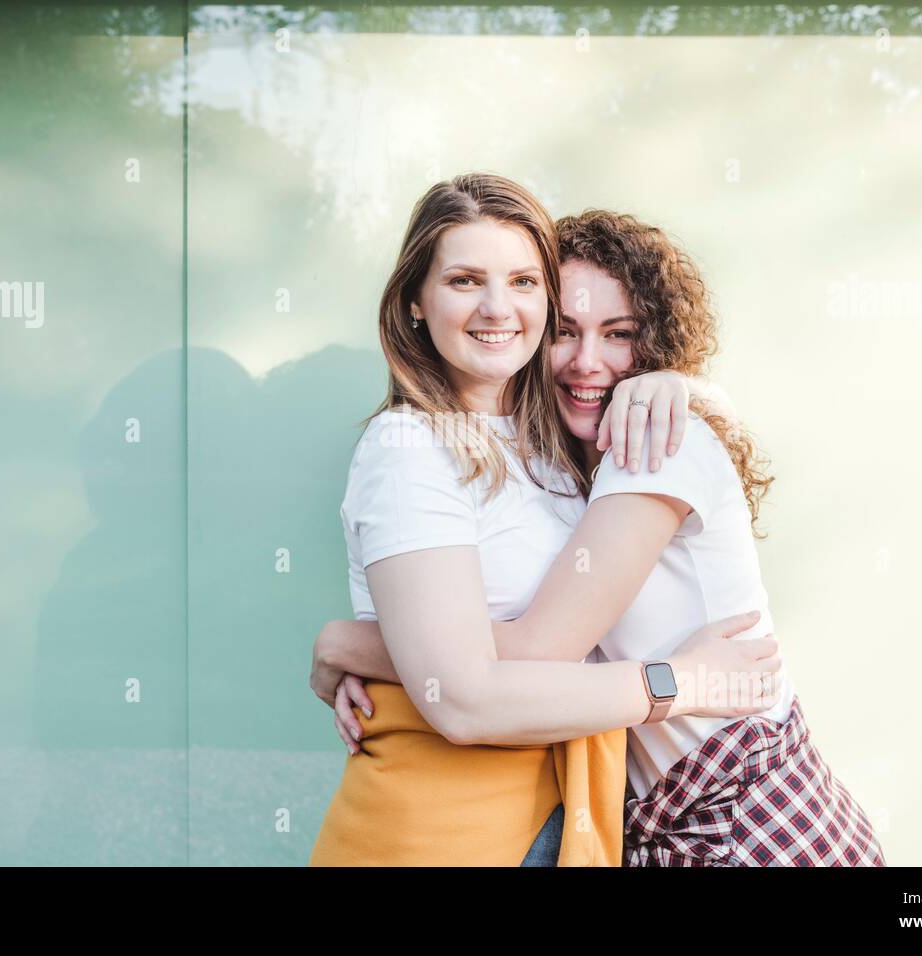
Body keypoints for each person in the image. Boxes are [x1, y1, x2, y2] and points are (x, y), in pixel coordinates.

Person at [312, 205, 885, 867]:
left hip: (746, 821)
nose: (589, 362)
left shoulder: (655, 447)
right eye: (567, 331)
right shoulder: (553, 455)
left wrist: (350, 643)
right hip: (663, 818)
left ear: (656, 342)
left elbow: (533, 651)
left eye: (619, 334)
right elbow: (480, 670)